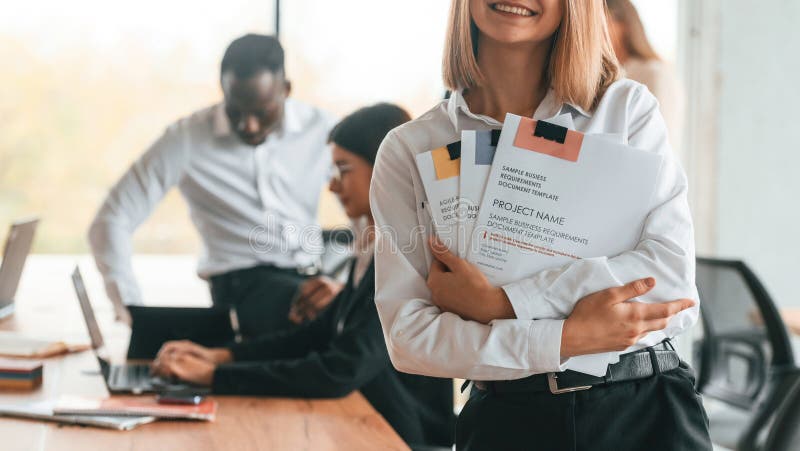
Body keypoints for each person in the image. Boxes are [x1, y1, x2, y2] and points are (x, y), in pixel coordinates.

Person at [369, 1, 711, 450]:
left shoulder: (626, 110)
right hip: (505, 424)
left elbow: (669, 284)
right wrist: (566, 337)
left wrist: (502, 306)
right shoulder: (409, 149)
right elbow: (409, 338)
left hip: (644, 414)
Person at [150, 103, 455, 448]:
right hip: (365, 422)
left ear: (386, 169)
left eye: (343, 170)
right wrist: (221, 356)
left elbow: (340, 370)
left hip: (402, 438)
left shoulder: (407, 260)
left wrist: (215, 376)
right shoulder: (372, 249)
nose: (333, 186)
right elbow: (315, 336)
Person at [88, 34, 342, 337]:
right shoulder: (187, 138)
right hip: (240, 286)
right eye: (236, 111)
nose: (248, 125)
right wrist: (130, 308)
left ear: (285, 90)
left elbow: (370, 205)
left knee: (362, 313)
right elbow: (110, 220)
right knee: (334, 321)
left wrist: (342, 281)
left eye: (261, 113)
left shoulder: (323, 130)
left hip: (314, 275)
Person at [607, 0, 685, 161]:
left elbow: (660, 143)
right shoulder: (607, 76)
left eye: (598, 22)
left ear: (623, 25)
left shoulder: (655, 74)